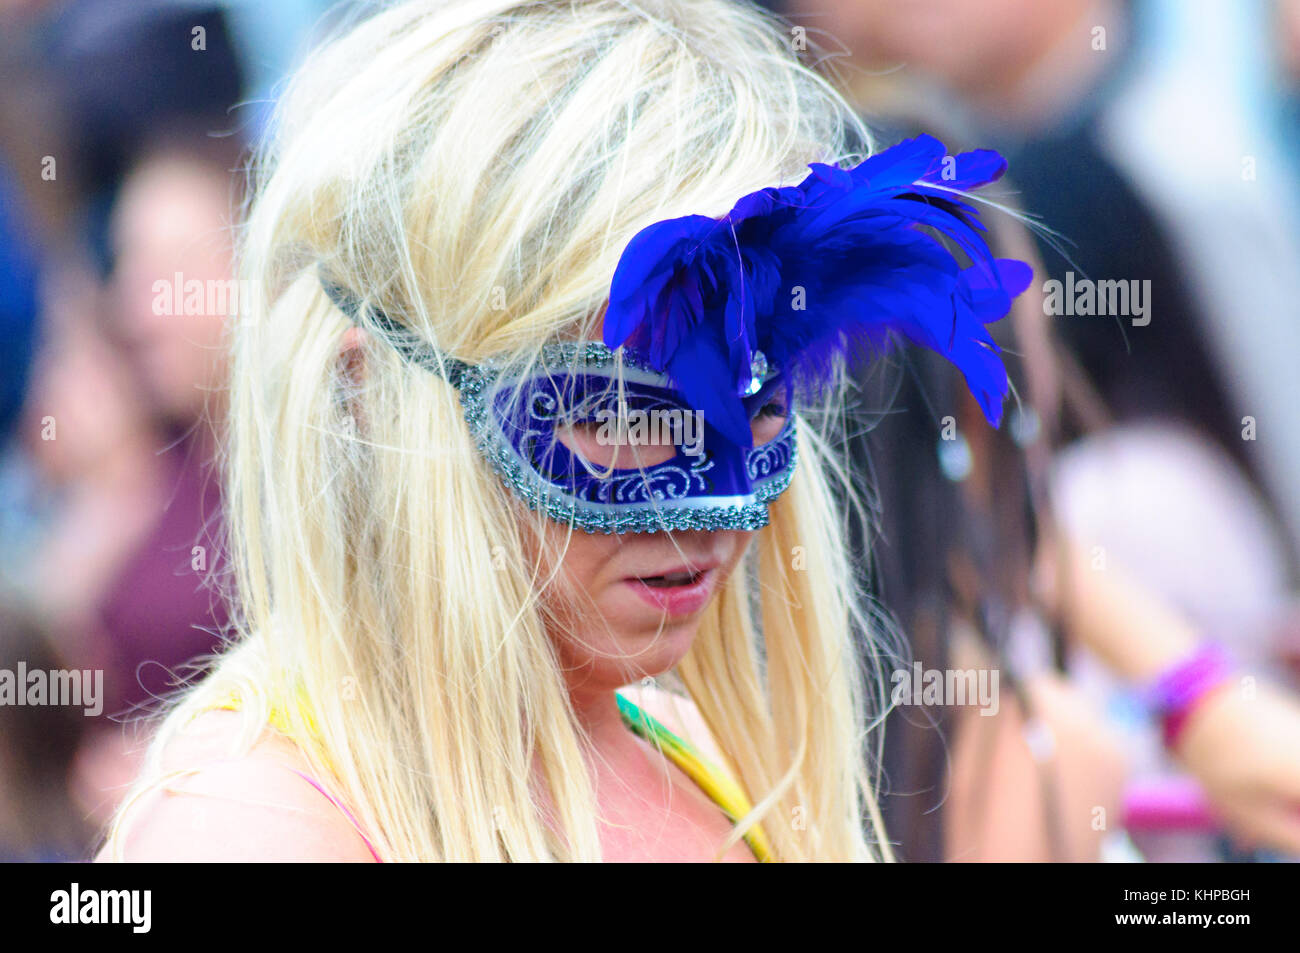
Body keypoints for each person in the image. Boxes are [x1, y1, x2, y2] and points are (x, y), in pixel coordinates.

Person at [97, 0, 1031, 862]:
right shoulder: (251, 830)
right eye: (620, 414)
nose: (710, 509)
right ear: (368, 387)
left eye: (754, 409)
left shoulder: (682, 746)